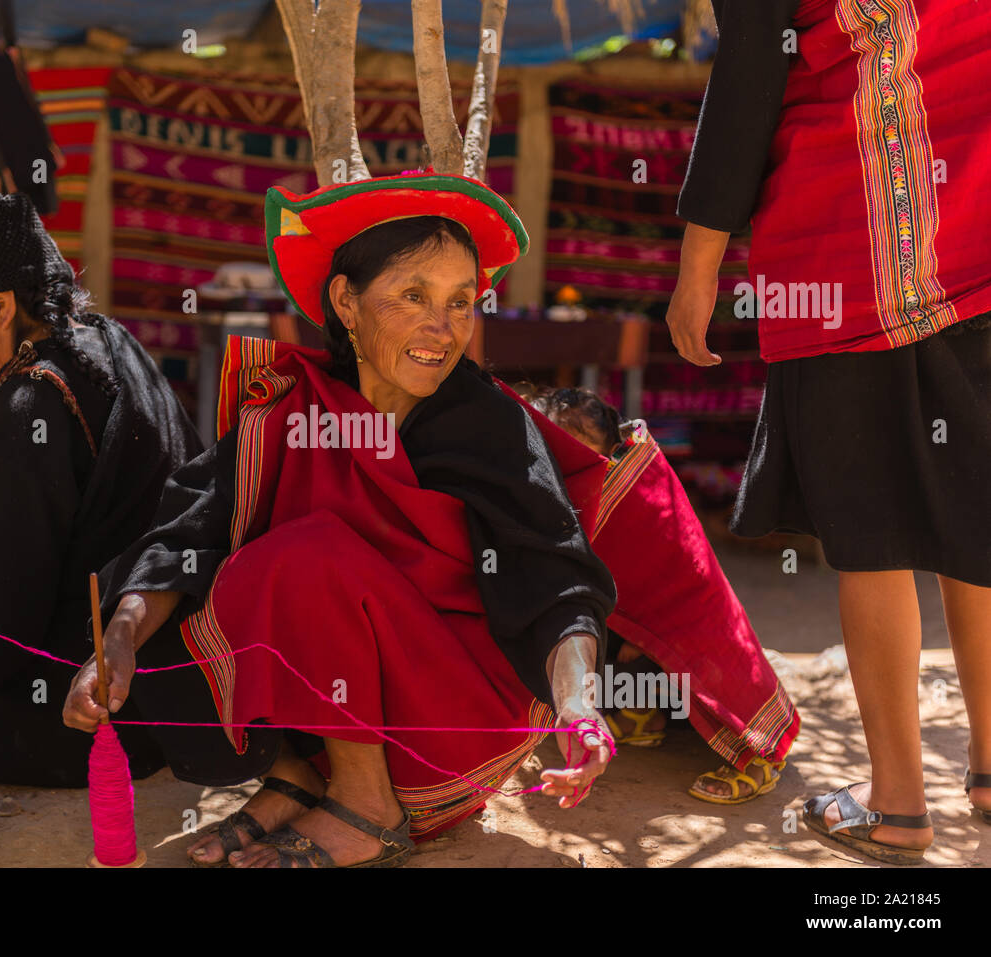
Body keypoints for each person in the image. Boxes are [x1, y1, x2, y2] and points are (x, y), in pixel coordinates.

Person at [63, 171, 619, 868]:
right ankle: (301, 774)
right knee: (199, 573)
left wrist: (578, 704)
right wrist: (117, 639)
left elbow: (558, 580)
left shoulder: (492, 427)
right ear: (346, 302)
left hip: (448, 716)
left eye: (461, 302)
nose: (442, 328)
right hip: (347, 702)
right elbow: (186, 533)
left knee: (312, 554)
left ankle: (367, 803)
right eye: (413, 296)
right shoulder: (294, 410)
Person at [670, 0, 991, 863]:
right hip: (978, 241)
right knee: (977, 512)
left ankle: (896, 804)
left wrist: (696, 271)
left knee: (872, 531)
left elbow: (747, 86)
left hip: (845, 253)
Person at [0, 188, 201, 786]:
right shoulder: (110, 341)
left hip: (84, 711)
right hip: (168, 688)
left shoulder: (29, 408)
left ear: (0, 307)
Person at [520, 384, 799, 803]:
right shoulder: (567, 497)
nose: (568, 461)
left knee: (680, 649)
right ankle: (639, 716)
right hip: (629, 627)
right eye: (555, 449)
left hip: (679, 625)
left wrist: (642, 631)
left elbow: (669, 575)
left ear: (612, 447)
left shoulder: (636, 490)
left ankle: (757, 753)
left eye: (580, 448)